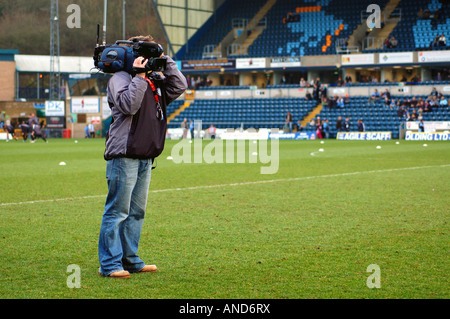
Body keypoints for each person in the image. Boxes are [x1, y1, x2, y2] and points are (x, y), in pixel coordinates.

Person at [98, 35, 188, 279]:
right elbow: (128, 106)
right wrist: (138, 76)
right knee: (118, 211)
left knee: (136, 212)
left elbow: (179, 86)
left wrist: (163, 58)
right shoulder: (120, 78)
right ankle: (109, 264)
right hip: (124, 153)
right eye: (144, 54)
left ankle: (130, 260)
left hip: (146, 155)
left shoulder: (153, 81)